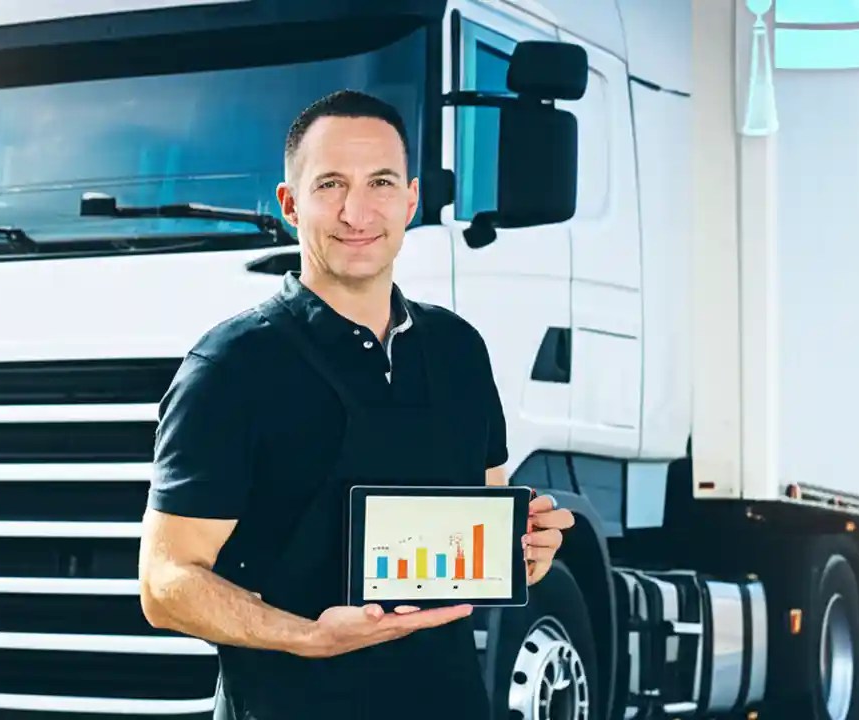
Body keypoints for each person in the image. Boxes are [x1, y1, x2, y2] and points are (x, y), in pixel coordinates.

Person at [138, 89, 576, 720]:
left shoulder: (458, 350)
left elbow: (485, 529)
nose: (356, 210)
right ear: (290, 204)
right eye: (331, 184)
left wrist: (528, 556)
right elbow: (164, 583)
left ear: (411, 200)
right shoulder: (231, 367)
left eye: (380, 182)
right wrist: (311, 638)